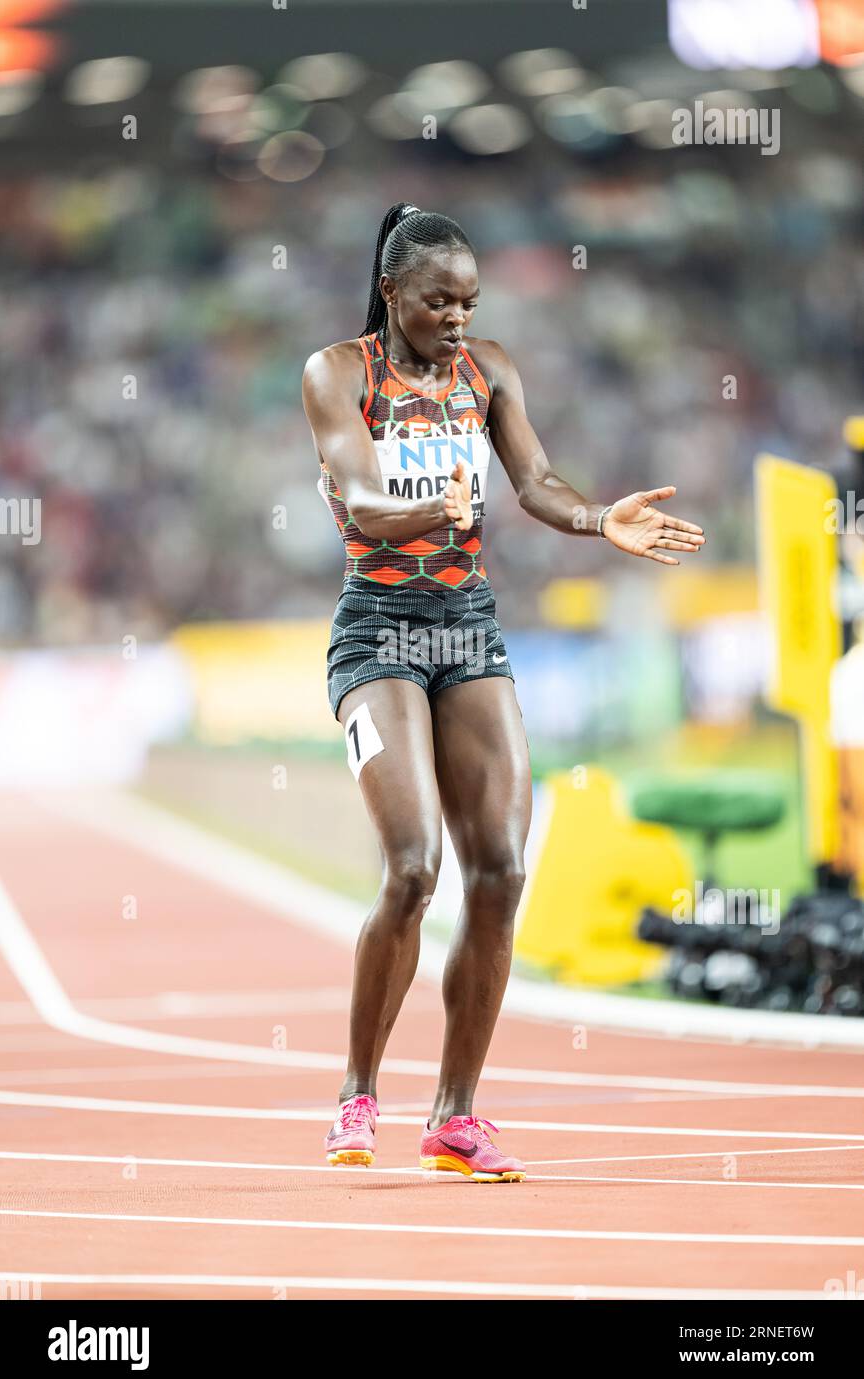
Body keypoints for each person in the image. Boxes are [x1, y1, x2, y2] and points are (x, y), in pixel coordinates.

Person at [301, 202, 706, 1182]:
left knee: (501, 872)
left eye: (469, 302)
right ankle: (356, 1089)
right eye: (437, 300)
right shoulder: (337, 373)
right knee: (410, 865)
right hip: (377, 634)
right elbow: (351, 494)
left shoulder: (490, 374)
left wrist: (597, 516)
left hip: (466, 630)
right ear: (392, 291)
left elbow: (533, 483)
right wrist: (419, 507)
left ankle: (455, 1114)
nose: (455, 317)